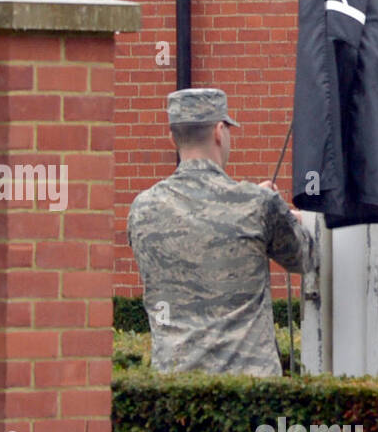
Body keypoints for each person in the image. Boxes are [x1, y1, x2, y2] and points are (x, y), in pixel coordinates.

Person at [127, 88, 316, 375]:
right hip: (247, 393)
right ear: (219, 131)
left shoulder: (143, 208)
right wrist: (292, 219)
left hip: (171, 391)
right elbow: (305, 258)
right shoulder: (258, 205)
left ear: (172, 138)